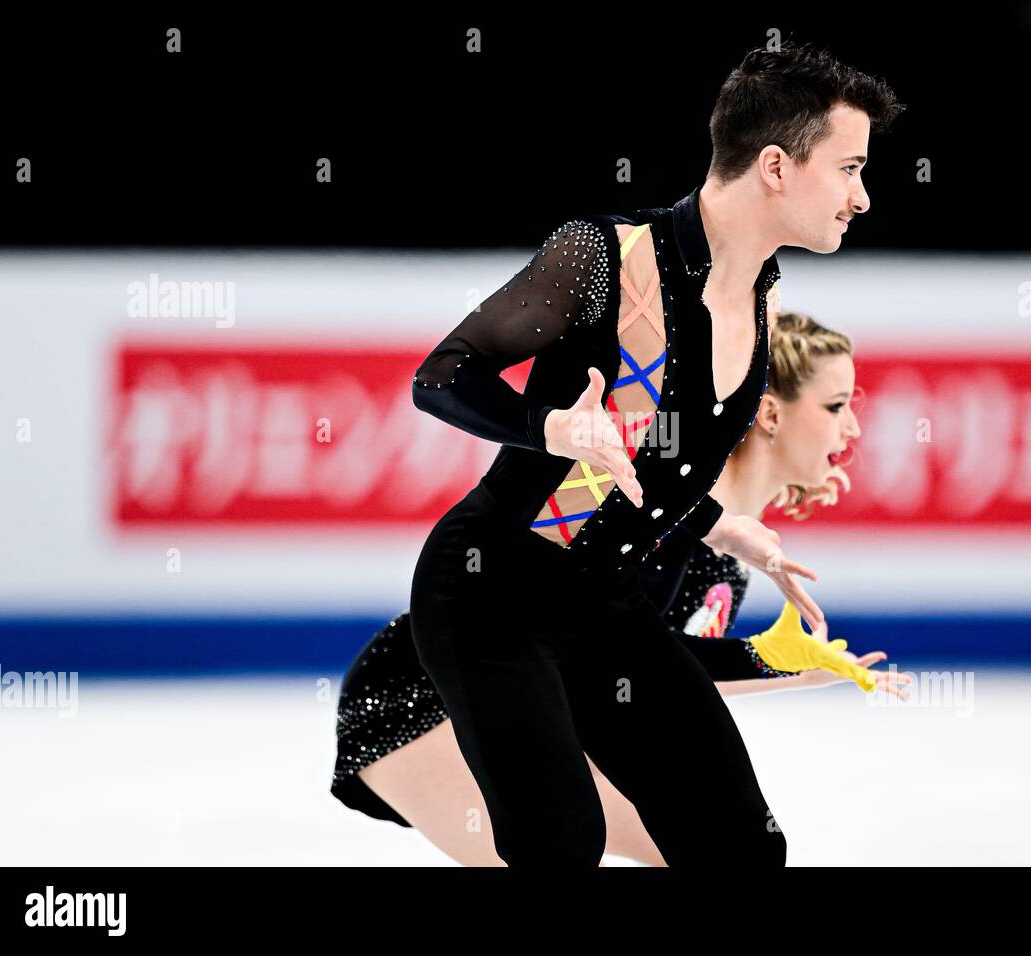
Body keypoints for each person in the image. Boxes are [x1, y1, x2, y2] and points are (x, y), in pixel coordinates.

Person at [368, 41, 903, 865]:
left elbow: (652, 463)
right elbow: (441, 376)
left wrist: (721, 525)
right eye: (849, 169)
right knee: (562, 842)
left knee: (739, 843)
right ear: (775, 166)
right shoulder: (605, 258)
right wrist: (551, 427)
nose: (861, 197)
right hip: (489, 591)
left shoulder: (762, 296)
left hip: (600, 606)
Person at [331, 310, 913, 866]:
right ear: (770, 415)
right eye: (836, 406)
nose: (855, 427)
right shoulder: (665, 516)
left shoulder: (725, 552)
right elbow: (607, 661)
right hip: (415, 698)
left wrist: (783, 665)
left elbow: (643, 688)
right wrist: (771, 662)